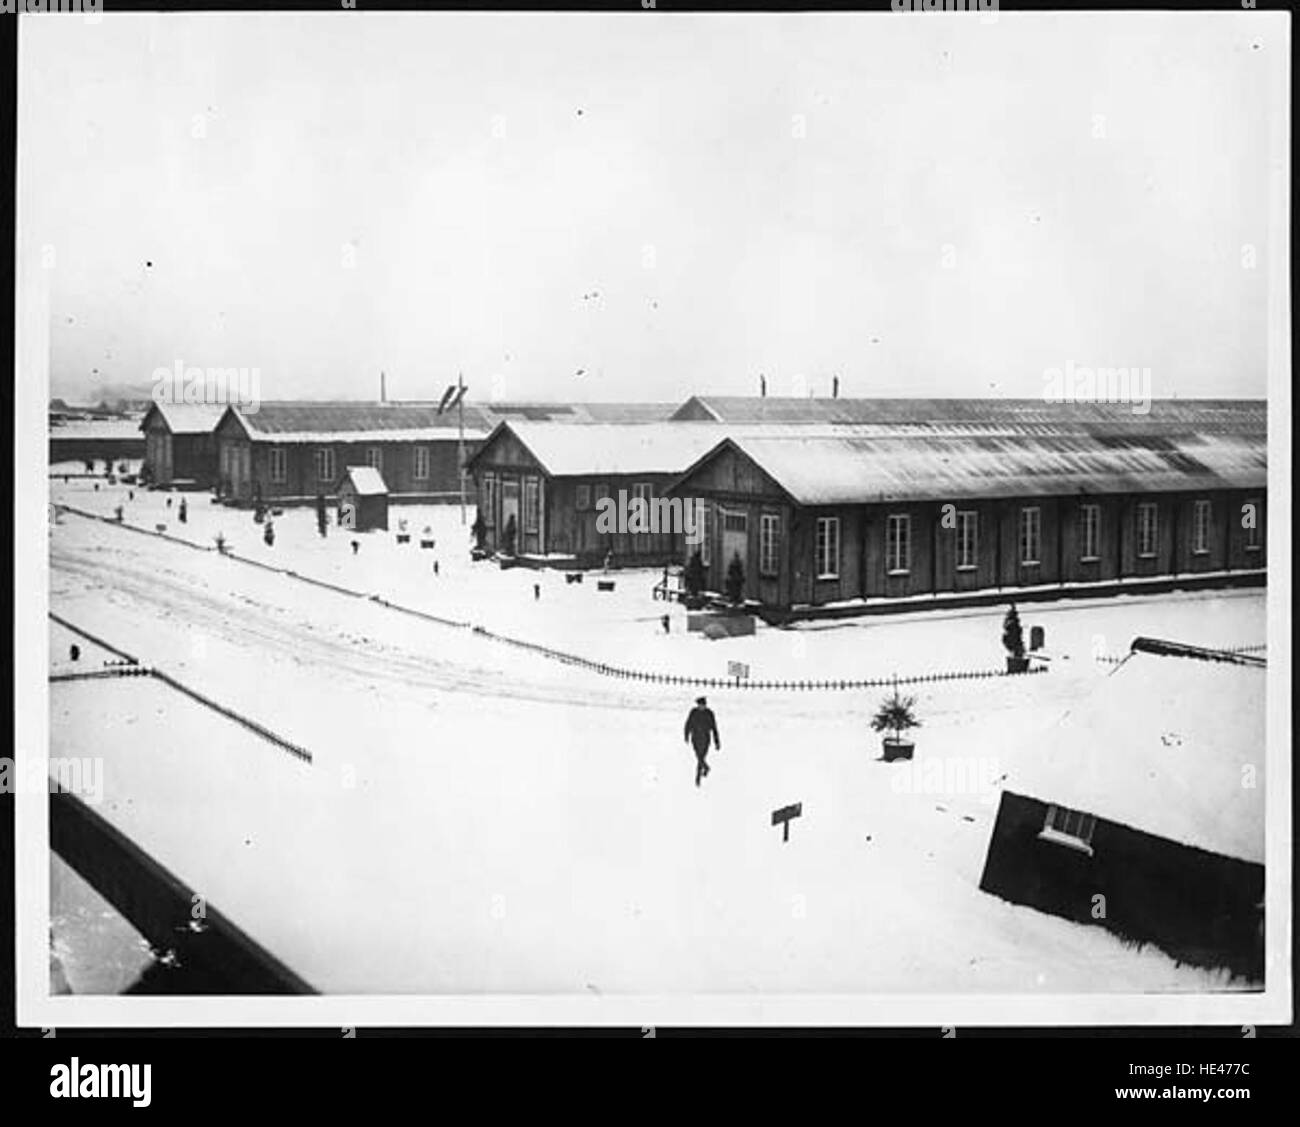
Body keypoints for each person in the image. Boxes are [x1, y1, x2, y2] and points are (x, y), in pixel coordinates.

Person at [684, 696, 720, 787]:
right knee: (698, 756)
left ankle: (698, 778)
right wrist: (686, 735)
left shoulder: (709, 714)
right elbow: (688, 724)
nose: (701, 707)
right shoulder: (693, 712)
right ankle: (705, 768)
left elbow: (714, 728)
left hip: (705, 737)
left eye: (703, 705)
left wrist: (717, 742)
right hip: (695, 737)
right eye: (700, 705)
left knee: (701, 757)